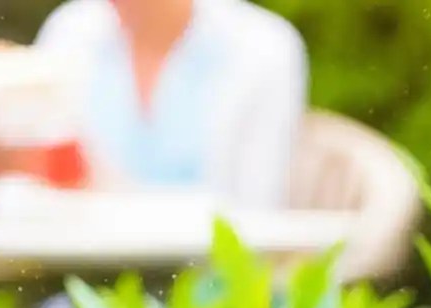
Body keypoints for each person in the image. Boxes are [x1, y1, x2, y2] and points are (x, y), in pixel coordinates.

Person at [35, 0, 308, 209]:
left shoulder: (265, 48)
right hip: (71, 270)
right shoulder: (69, 32)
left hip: (210, 276)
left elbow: (253, 209)